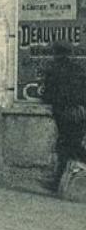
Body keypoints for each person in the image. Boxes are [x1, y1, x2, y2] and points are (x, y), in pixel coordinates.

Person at [40, 42, 86, 196]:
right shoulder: (78, 69)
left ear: (56, 53)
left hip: (64, 113)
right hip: (80, 113)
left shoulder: (54, 70)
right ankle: (56, 183)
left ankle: (56, 183)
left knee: (69, 146)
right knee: (68, 146)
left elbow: (47, 94)